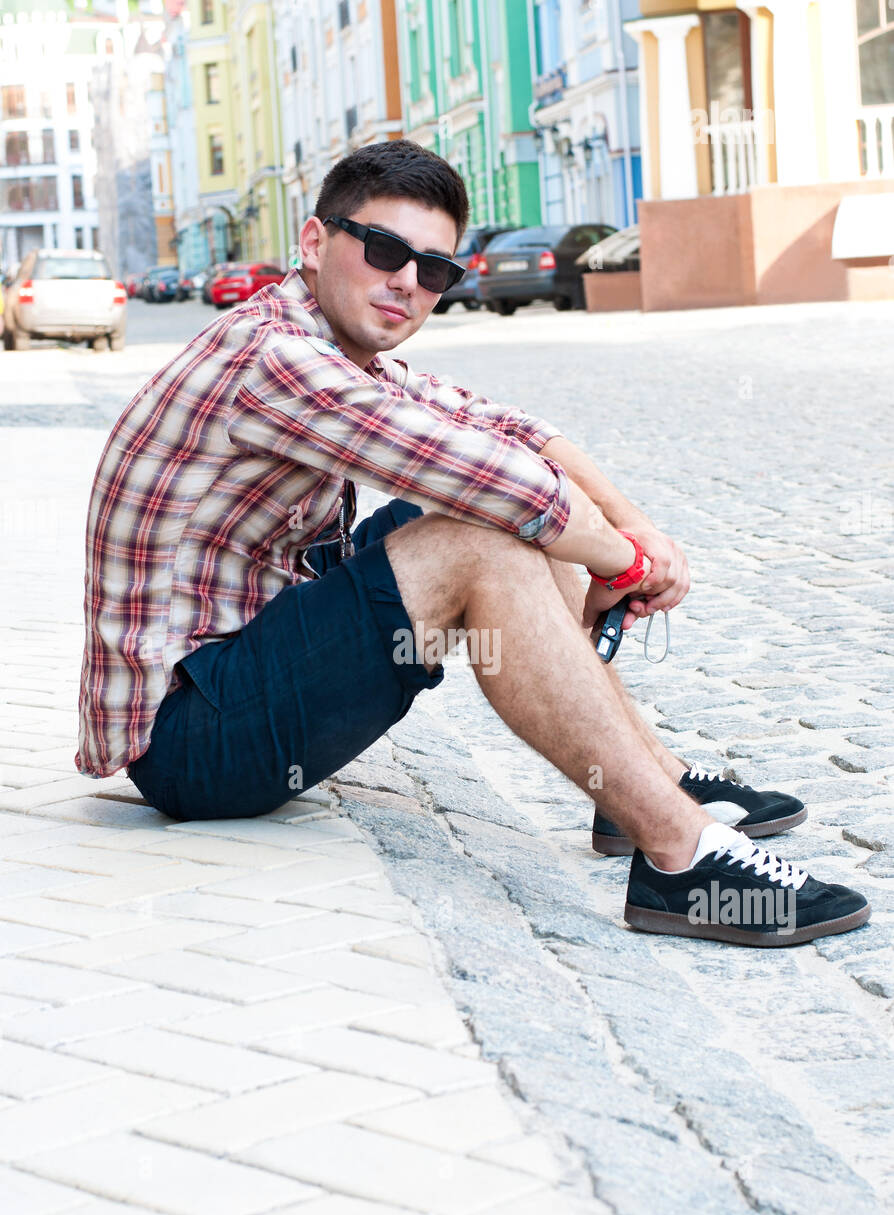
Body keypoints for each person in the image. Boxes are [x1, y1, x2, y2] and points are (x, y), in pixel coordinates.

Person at [75, 139, 870, 948]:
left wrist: (636, 525)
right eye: (384, 249)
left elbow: (507, 429)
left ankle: (640, 789)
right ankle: (681, 859)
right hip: (192, 741)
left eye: (435, 270)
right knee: (485, 535)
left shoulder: (338, 348)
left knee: (508, 512)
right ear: (314, 243)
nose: (407, 283)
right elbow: (490, 480)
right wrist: (620, 563)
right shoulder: (273, 356)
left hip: (243, 673)